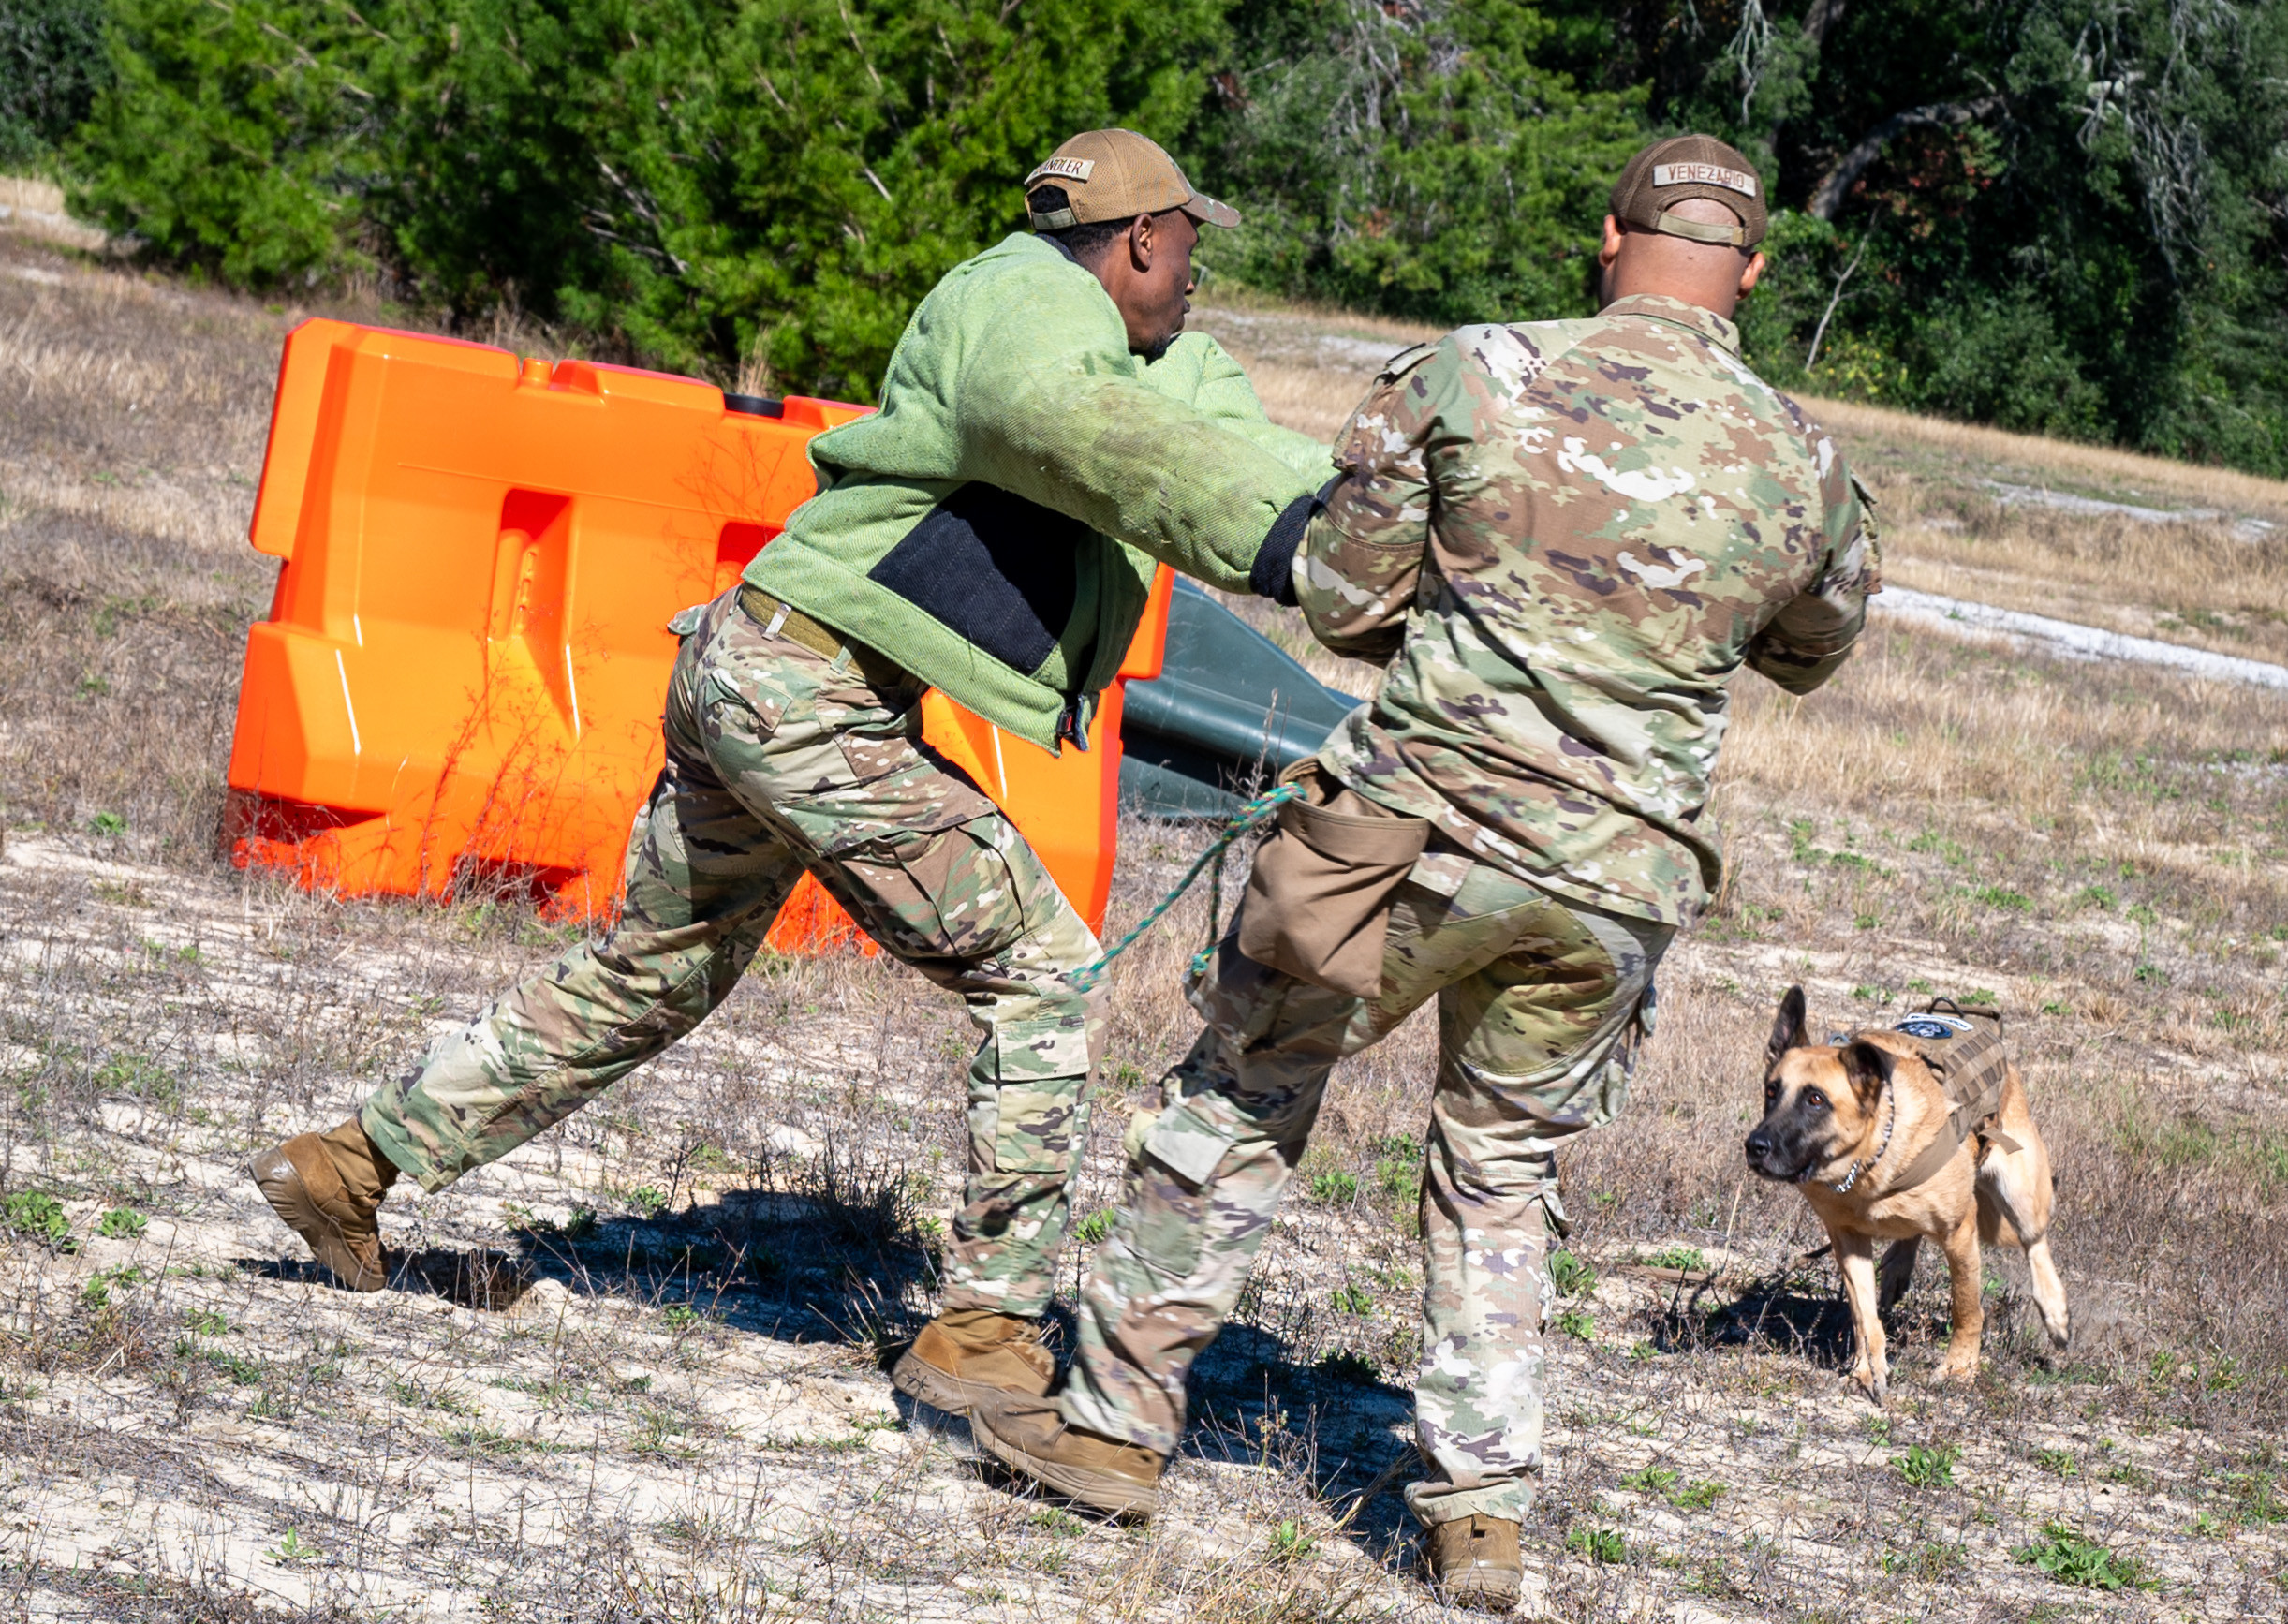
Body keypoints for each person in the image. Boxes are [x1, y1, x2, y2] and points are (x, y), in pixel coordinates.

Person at [247, 128, 1329, 1425]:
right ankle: (985, 1327)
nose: (1198, 272)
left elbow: (1193, 417)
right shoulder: (1031, 307)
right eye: (1190, 245)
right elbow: (1085, 429)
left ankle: (352, 1163)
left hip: (760, 668)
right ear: (1143, 238)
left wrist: (1351, 521)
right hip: (801, 690)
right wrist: (1285, 544)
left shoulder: (1090, 331)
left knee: (651, 974)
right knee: (1039, 967)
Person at [968, 134, 1882, 1614]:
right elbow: (1810, 649)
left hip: (1415, 831)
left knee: (1245, 1090)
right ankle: (1482, 1517)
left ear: (1606, 237)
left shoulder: (1471, 372)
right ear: (1756, 273)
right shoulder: (1809, 461)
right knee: (1501, 1169)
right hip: (1619, 882)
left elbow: (1339, 592)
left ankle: (1113, 1425)